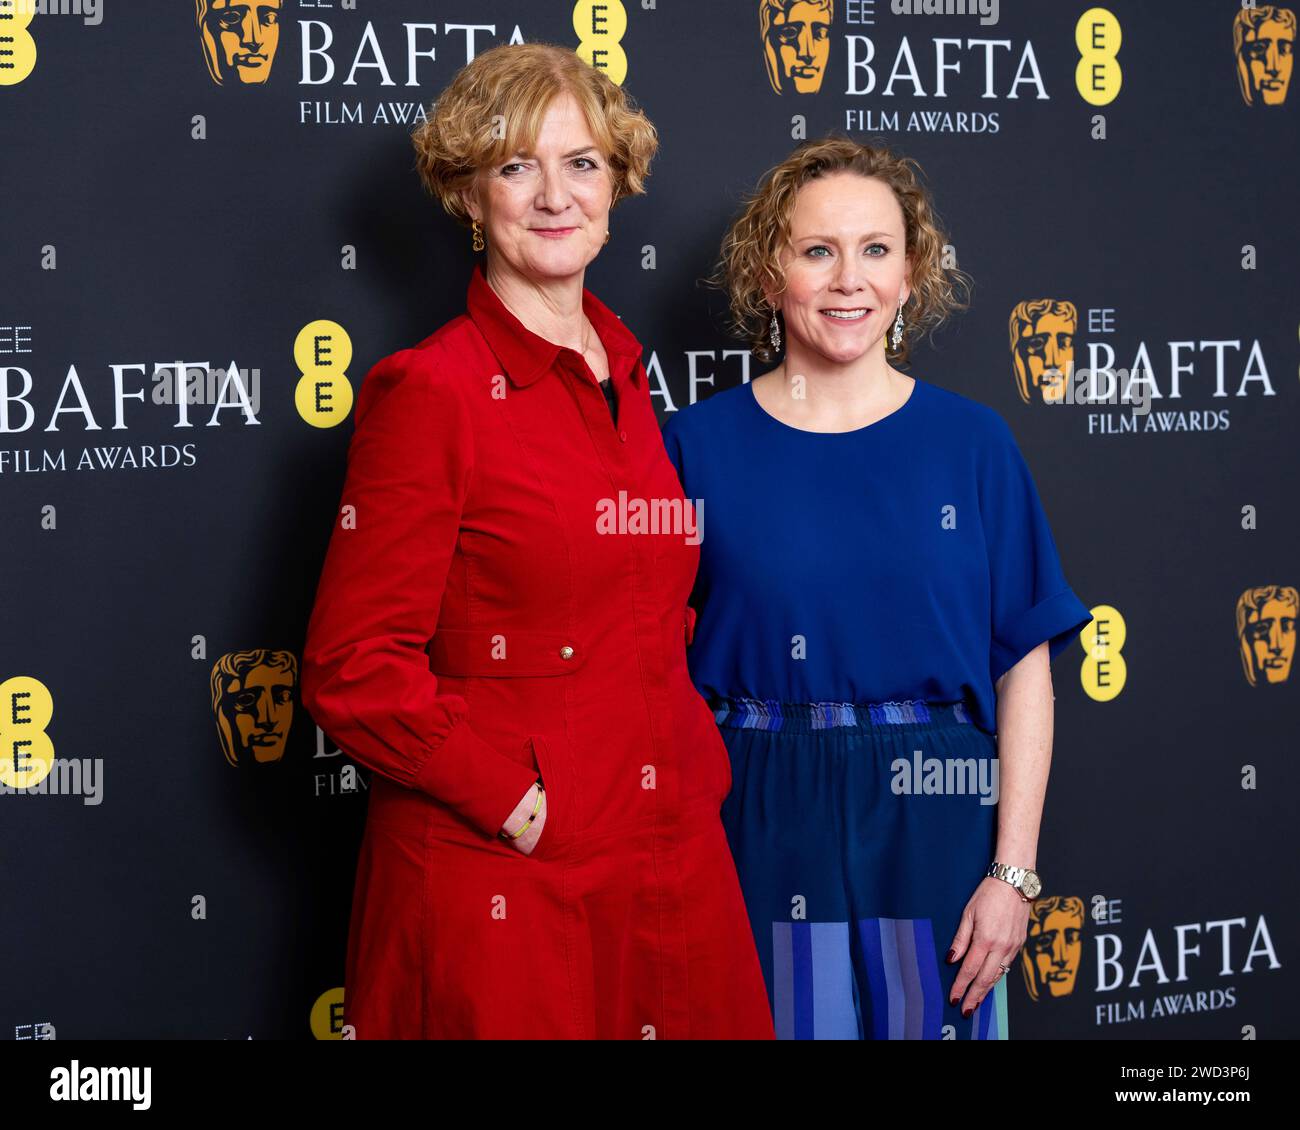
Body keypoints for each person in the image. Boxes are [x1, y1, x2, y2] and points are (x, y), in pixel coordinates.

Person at [299, 43, 774, 1040]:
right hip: (505, 880)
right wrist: (519, 803)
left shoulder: (631, 376)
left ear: (618, 182)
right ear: (469, 197)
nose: (554, 195)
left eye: (582, 163)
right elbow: (353, 668)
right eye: (517, 166)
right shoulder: (429, 393)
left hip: (667, 858)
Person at [661, 136, 1093, 1040]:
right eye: (818, 251)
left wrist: (1012, 874)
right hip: (753, 817)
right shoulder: (690, 449)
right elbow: (645, 665)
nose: (848, 279)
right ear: (769, 271)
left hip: (936, 817)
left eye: (876, 249)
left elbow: (1025, 672)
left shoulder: (975, 446)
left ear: (910, 273)